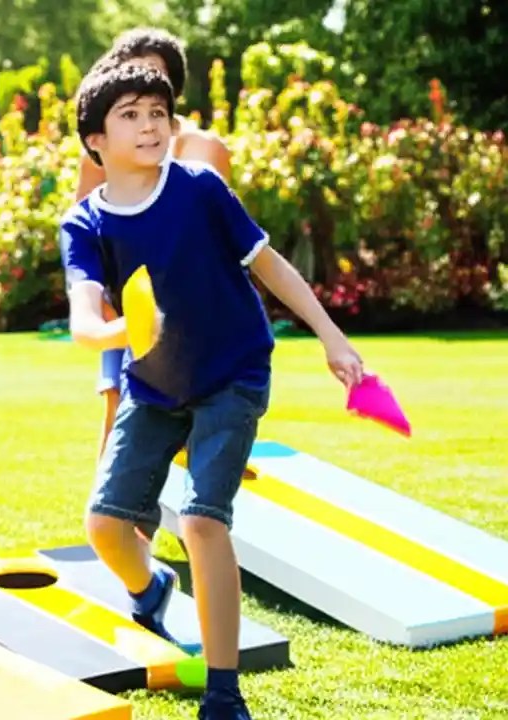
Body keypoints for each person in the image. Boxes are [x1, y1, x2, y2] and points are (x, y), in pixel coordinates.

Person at [62, 64, 365, 720]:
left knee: (201, 519)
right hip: (152, 386)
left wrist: (330, 336)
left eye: (157, 113)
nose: (149, 125)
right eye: (130, 116)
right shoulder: (85, 225)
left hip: (233, 373)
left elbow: (269, 263)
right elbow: (86, 324)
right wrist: (124, 328)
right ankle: (150, 587)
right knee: (105, 526)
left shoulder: (200, 188)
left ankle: (224, 693)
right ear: (95, 141)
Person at [75, 28, 233, 460]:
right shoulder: (105, 145)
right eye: (132, 72)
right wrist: (106, 307)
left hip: (196, 310)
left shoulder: (204, 149)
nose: (142, 80)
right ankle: (115, 523)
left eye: (154, 73)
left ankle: (193, 522)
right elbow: (87, 228)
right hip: (129, 303)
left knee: (200, 417)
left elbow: (226, 234)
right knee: (121, 408)